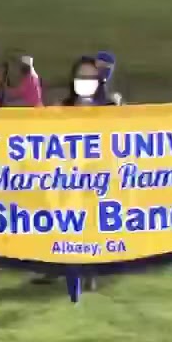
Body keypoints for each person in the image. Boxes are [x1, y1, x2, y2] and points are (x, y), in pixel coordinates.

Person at [59, 56, 112, 301]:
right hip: (69, 176)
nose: (86, 80)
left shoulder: (107, 108)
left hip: (97, 175)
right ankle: (73, 276)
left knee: (93, 225)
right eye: (81, 76)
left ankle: (91, 272)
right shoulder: (63, 108)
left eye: (91, 76)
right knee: (71, 227)